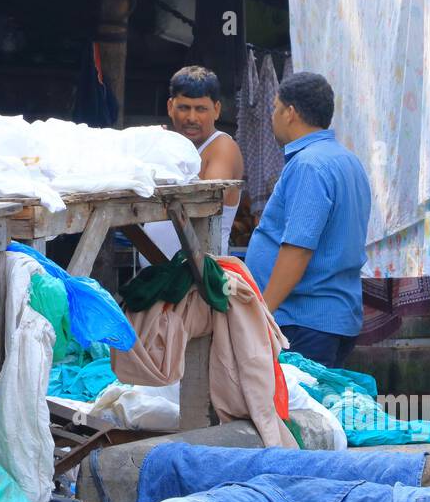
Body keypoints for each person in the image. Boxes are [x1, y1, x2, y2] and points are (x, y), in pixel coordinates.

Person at [245, 71, 370, 367]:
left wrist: (264, 312)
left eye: (274, 108)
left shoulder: (309, 165)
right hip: (327, 319)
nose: (272, 116)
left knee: (294, 412)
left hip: (304, 322)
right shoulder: (346, 159)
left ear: (290, 113)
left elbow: (298, 248)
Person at [140, 66, 243, 260]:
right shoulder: (168, 144)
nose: (192, 118)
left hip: (199, 281)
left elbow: (207, 203)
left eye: (201, 109)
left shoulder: (222, 147)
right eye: (184, 108)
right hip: (160, 278)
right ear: (170, 107)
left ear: (217, 110)